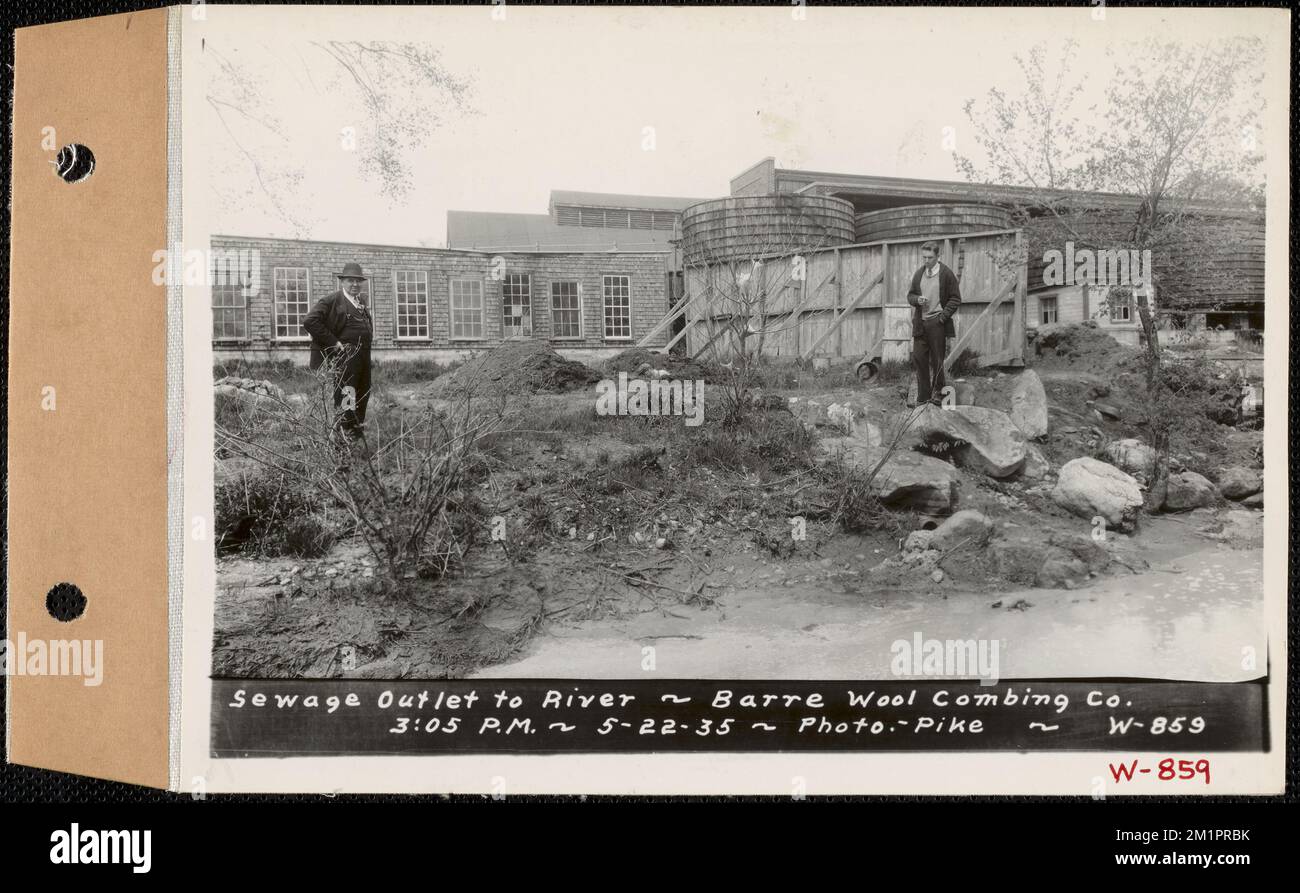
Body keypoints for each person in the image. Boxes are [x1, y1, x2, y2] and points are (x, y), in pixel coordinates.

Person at [303, 262, 374, 440]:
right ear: (343, 282)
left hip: (364, 358)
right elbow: (310, 321)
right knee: (347, 396)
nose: (355, 284)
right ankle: (343, 441)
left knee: (362, 394)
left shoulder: (360, 303)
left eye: (358, 281)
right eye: (351, 281)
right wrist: (334, 342)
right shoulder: (332, 300)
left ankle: (357, 439)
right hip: (346, 360)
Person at [906, 241, 962, 406]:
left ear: (938, 256)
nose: (926, 261)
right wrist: (917, 299)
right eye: (924, 257)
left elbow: (956, 298)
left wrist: (943, 317)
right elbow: (910, 296)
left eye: (930, 257)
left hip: (937, 322)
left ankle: (939, 394)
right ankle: (923, 397)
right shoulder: (919, 274)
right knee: (919, 359)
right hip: (920, 324)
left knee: (937, 360)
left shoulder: (946, 274)